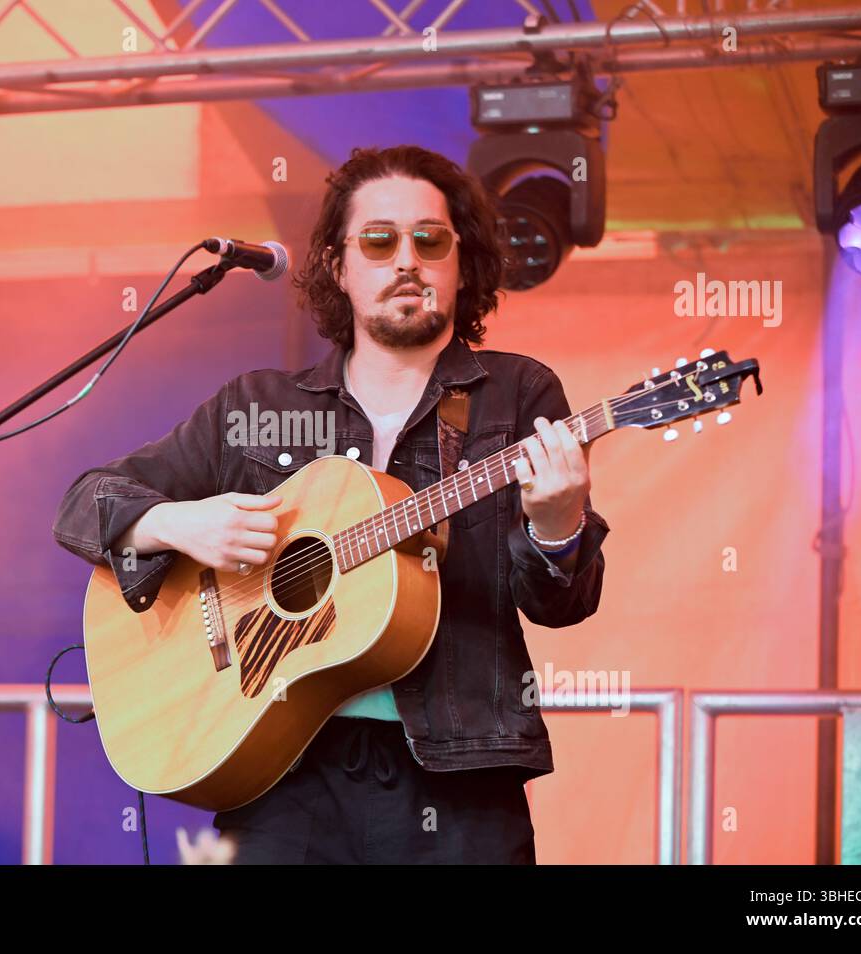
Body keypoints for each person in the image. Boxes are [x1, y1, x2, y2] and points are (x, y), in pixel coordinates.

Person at [52, 144, 609, 864]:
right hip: (284, 775)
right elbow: (82, 504)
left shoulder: (518, 396)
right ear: (338, 268)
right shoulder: (256, 405)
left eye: (429, 240)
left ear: (460, 263)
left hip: (461, 777)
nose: (405, 258)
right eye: (378, 241)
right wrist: (178, 522)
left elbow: (562, 604)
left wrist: (557, 523)